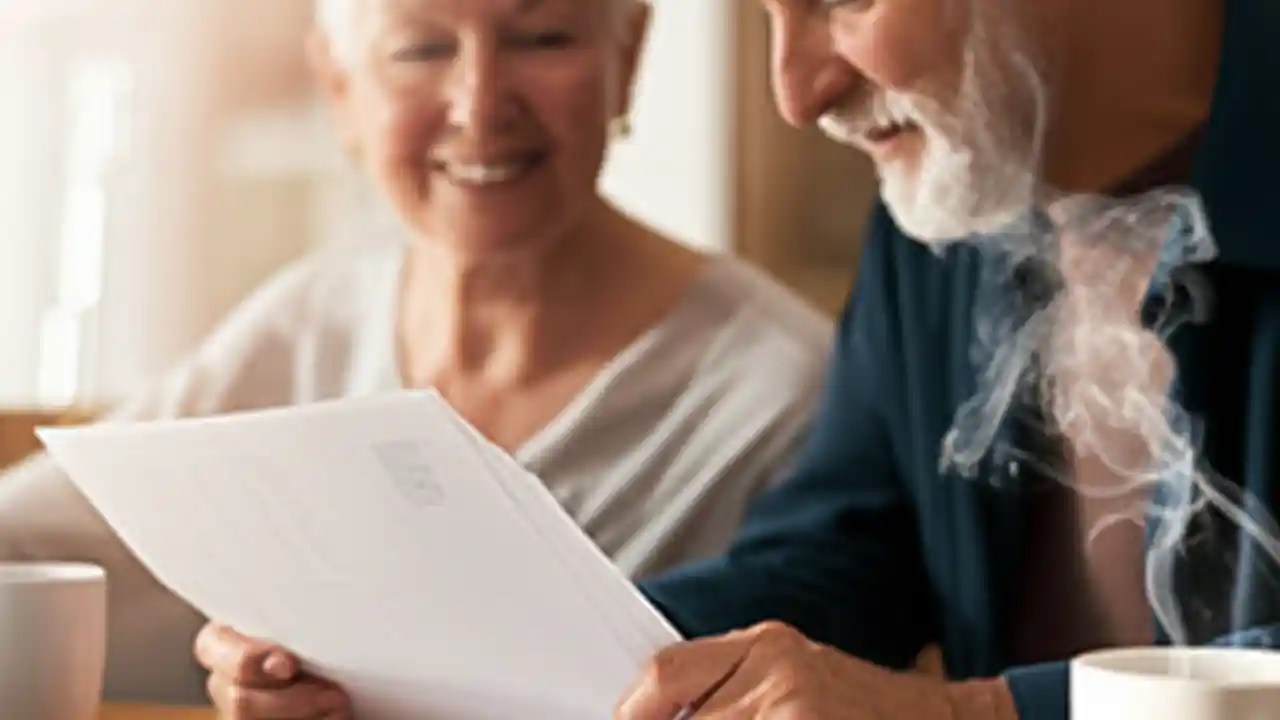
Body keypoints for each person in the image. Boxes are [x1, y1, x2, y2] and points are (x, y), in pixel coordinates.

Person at [197, 0, 1279, 718]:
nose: (795, 90)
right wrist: (438, 662)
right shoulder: (950, 208)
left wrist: (968, 713)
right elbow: (840, 559)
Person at [0, 0, 831, 706]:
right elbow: (31, 543)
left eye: (542, 39)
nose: (479, 102)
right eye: (422, 49)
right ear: (339, 87)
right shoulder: (311, 320)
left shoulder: (780, 385)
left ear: (630, 54)